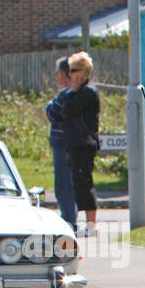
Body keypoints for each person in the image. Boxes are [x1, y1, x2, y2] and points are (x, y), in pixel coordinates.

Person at [48, 51, 100, 233]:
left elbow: (67, 109)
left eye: (73, 70)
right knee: (78, 185)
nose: (69, 75)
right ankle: (84, 224)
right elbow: (61, 110)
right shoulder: (76, 92)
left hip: (84, 142)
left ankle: (92, 225)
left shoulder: (87, 92)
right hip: (75, 143)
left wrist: (73, 90)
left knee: (85, 184)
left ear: (83, 71)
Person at [44, 57, 77, 227]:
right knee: (70, 184)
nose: (56, 77)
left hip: (63, 145)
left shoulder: (66, 94)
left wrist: (49, 105)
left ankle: (69, 220)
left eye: (57, 73)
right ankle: (71, 217)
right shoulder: (75, 92)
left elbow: (52, 113)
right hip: (71, 145)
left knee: (63, 185)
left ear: (63, 74)